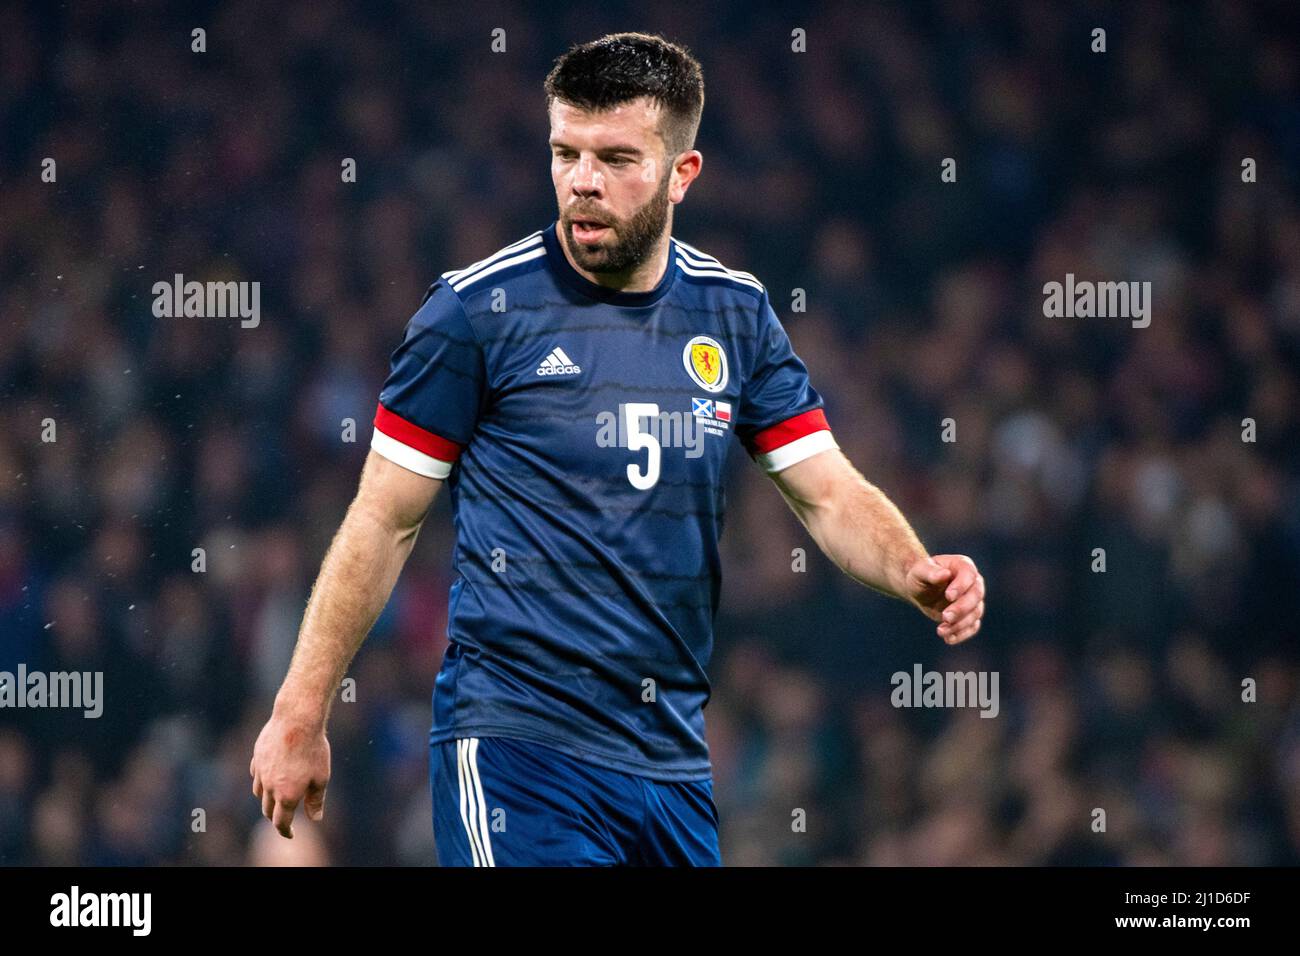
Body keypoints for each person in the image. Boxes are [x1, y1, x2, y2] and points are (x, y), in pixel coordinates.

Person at [250, 31, 985, 866]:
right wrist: (300, 712)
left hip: (670, 764)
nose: (583, 182)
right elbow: (382, 520)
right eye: (565, 152)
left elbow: (827, 493)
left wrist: (909, 565)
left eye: (615, 157)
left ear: (683, 174)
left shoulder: (734, 315)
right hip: (518, 748)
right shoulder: (475, 315)